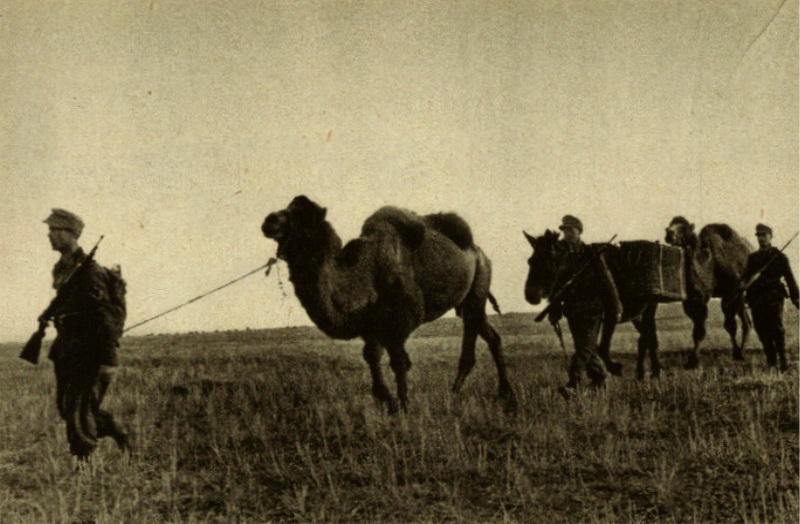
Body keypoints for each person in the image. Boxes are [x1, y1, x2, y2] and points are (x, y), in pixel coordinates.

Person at [43, 209, 129, 458]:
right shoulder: (62, 268)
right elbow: (65, 301)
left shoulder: (90, 272)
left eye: (54, 231)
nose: (49, 236)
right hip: (67, 347)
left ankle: (83, 463)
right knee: (66, 407)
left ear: (70, 234)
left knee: (79, 409)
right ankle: (116, 430)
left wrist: (107, 358)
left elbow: (105, 317)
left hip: (88, 349)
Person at [549, 215, 621, 397]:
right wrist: (554, 308)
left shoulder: (591, 253)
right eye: (565, 231)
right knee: (585, 346)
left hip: (592, 310)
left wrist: (616, 306)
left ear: (579, 232)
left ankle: (574, 383)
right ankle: (600, 378)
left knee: (584, 349)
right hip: (573, 311)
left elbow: (607, 281)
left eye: (571, 231)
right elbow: (557, 286)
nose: (567, 234)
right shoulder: (562, 255)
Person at [741, 223, 799, 371]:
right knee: (761, 330)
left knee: (776, 329)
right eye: (759, 235)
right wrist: (742, 290)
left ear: (771, 236)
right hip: (756, 298)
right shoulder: (753, 258)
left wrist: (796, 297)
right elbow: (746, 278)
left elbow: (790, 278)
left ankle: (784, 361)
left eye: (764, 235)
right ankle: (772, 361)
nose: (761, 238)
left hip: (774, 296)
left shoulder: (779, 256)